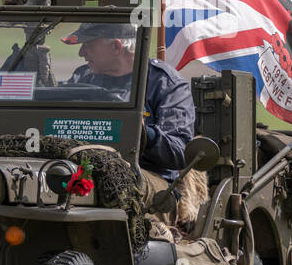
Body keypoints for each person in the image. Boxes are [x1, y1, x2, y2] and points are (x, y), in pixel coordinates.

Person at [61, 23, 200, 239]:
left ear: (116, 47)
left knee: (117, 179)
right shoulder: (84, 77)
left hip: (151, 180)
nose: (81, 53)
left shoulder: (165, 83)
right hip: (88, 166)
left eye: (88, 45)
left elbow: (180, 152)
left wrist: (145, 134)